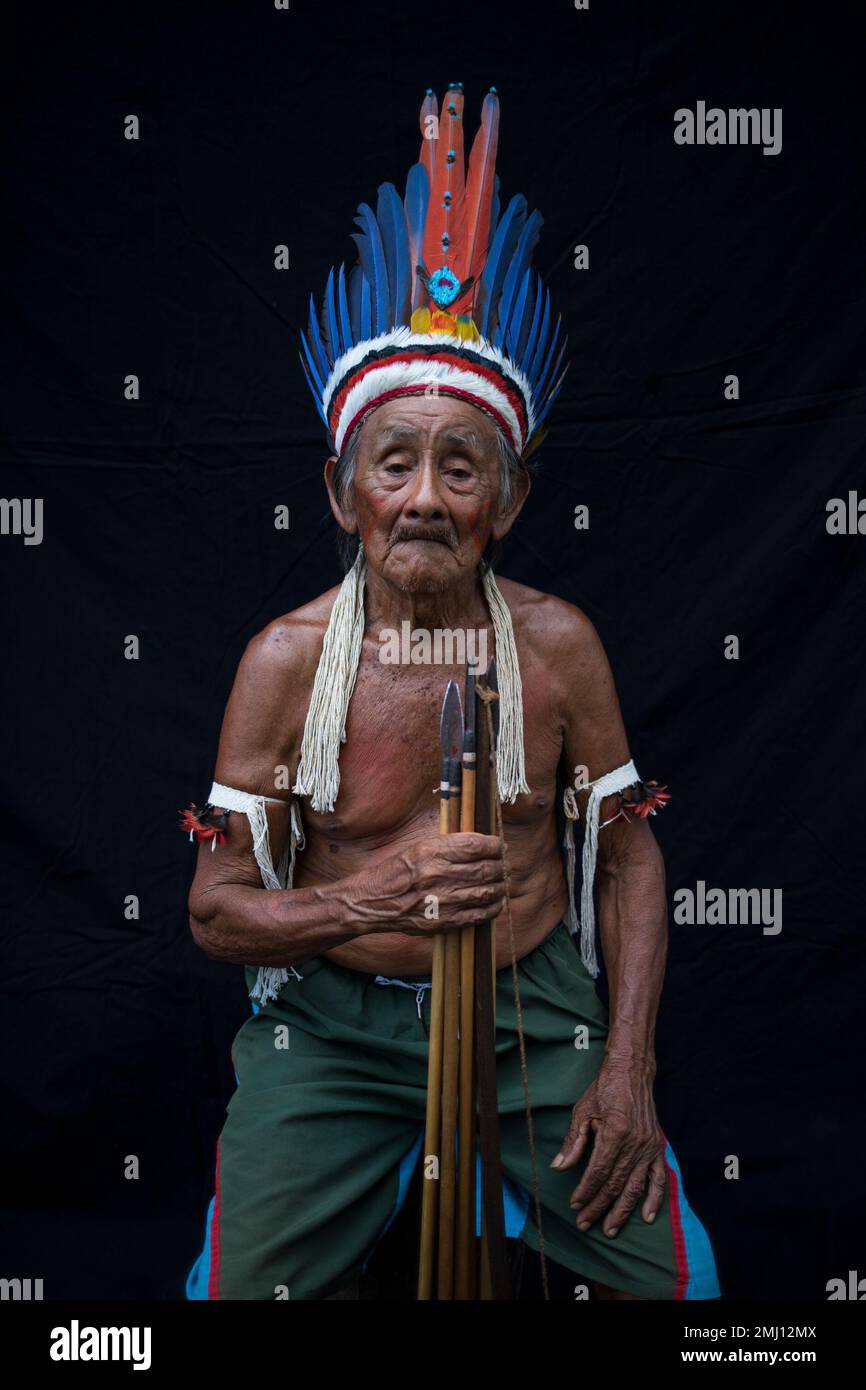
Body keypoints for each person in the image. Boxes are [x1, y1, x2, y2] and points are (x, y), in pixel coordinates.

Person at [182, 84, 720, 1302]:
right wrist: (367, 894)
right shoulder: (283, 661)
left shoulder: (556, 646)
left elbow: (627, 853)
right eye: (394, 462)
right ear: (341, 491)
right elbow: (213, 910)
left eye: (460, 465)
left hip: (535, 1024)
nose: (424, 496)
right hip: (331, 1033)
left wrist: (626, 1062)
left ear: (509, 500)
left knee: (689, 1300)